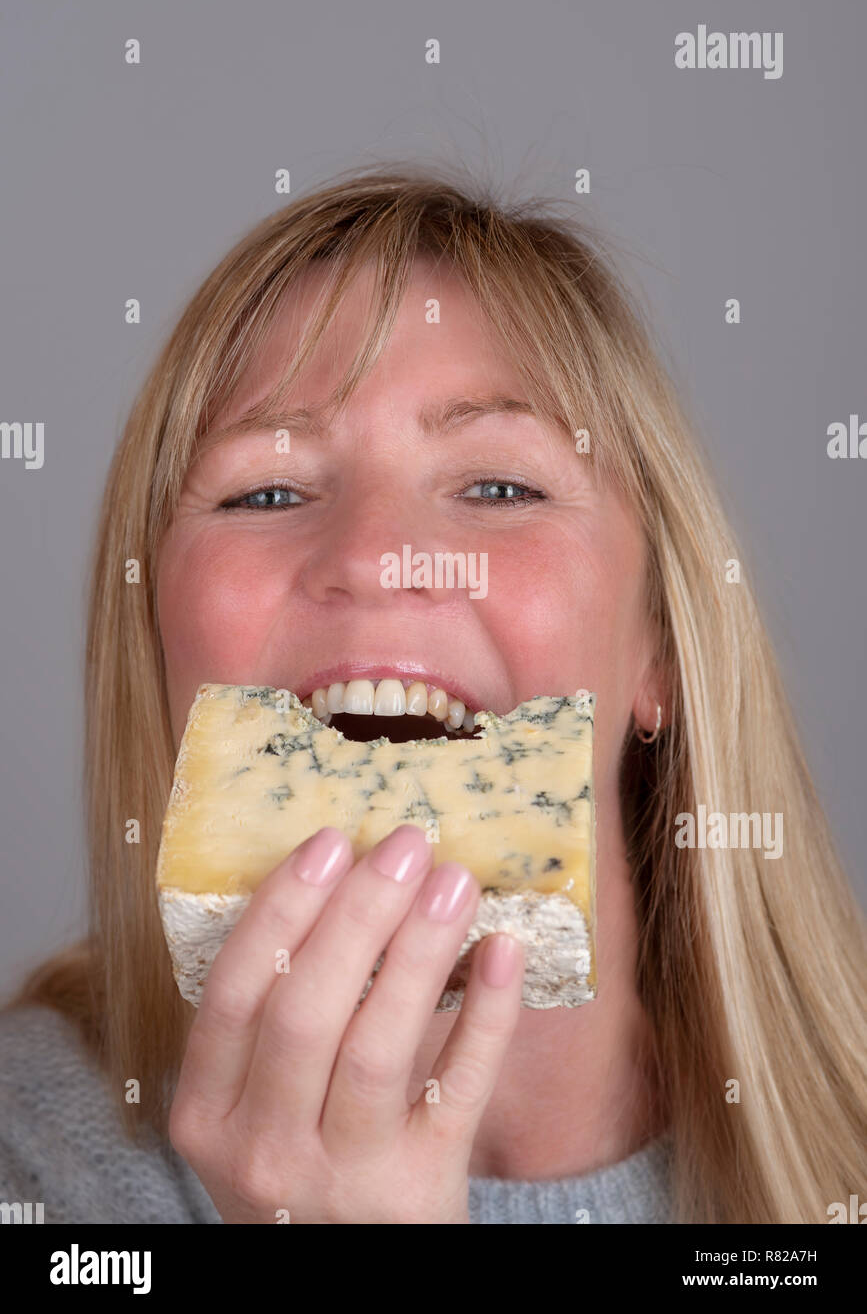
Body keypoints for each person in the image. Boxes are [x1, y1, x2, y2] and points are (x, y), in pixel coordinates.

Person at [2, 165, 864, 1224]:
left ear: (663, 644)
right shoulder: (34, 1168)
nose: (377, 554)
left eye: (499, 485)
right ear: (155, 639)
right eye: (265, 489)